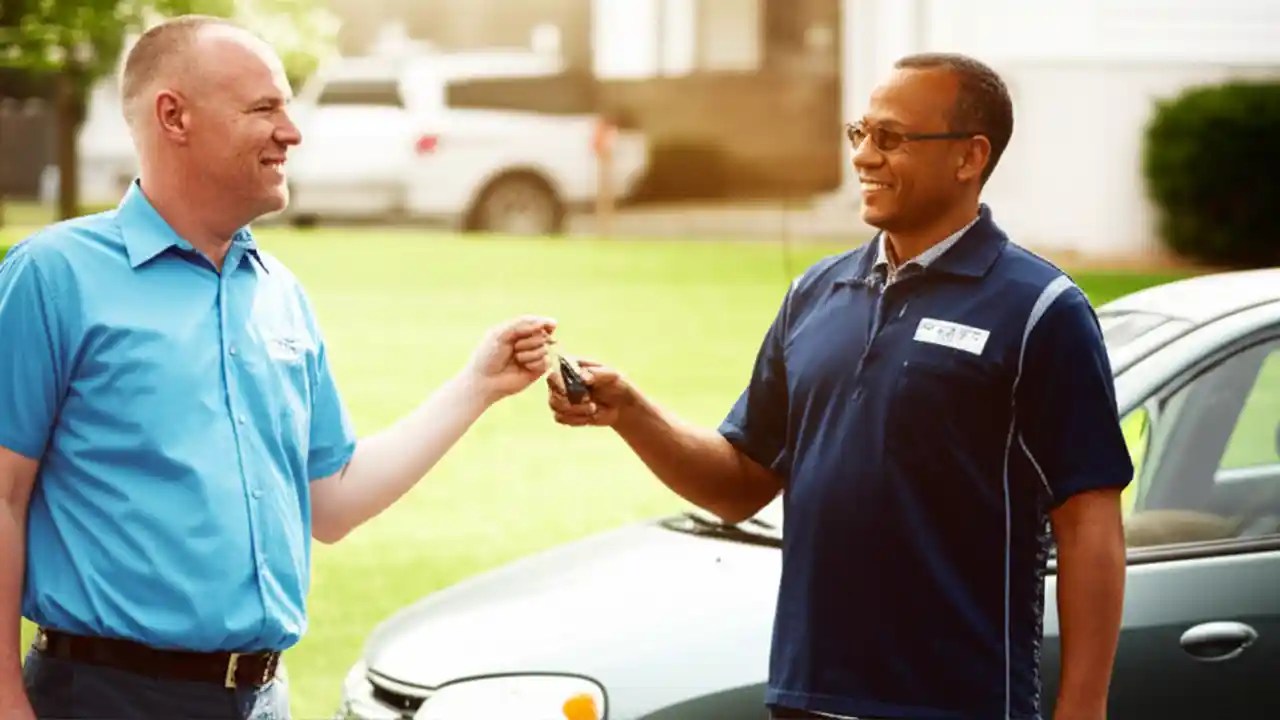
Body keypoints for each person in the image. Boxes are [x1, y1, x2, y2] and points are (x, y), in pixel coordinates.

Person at [0, 15, 556, 720]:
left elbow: (333, 500)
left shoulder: (280, 295)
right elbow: (3, 496)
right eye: (264, 109)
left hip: (263, 700)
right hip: (108, 699)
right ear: (175, 116)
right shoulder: (52, 277)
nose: (291, 133)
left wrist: (476, 386)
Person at [547, 53, 1131, 720]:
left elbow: (1089, 525)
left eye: (891, 138)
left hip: (956, 703)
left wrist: (1083, 707)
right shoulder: (817, 293)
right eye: (861, 133)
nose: (864, 157)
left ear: (970, 157)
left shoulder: (1041, 311)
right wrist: (629, 411)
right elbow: (741, 482)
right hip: (808, 697)